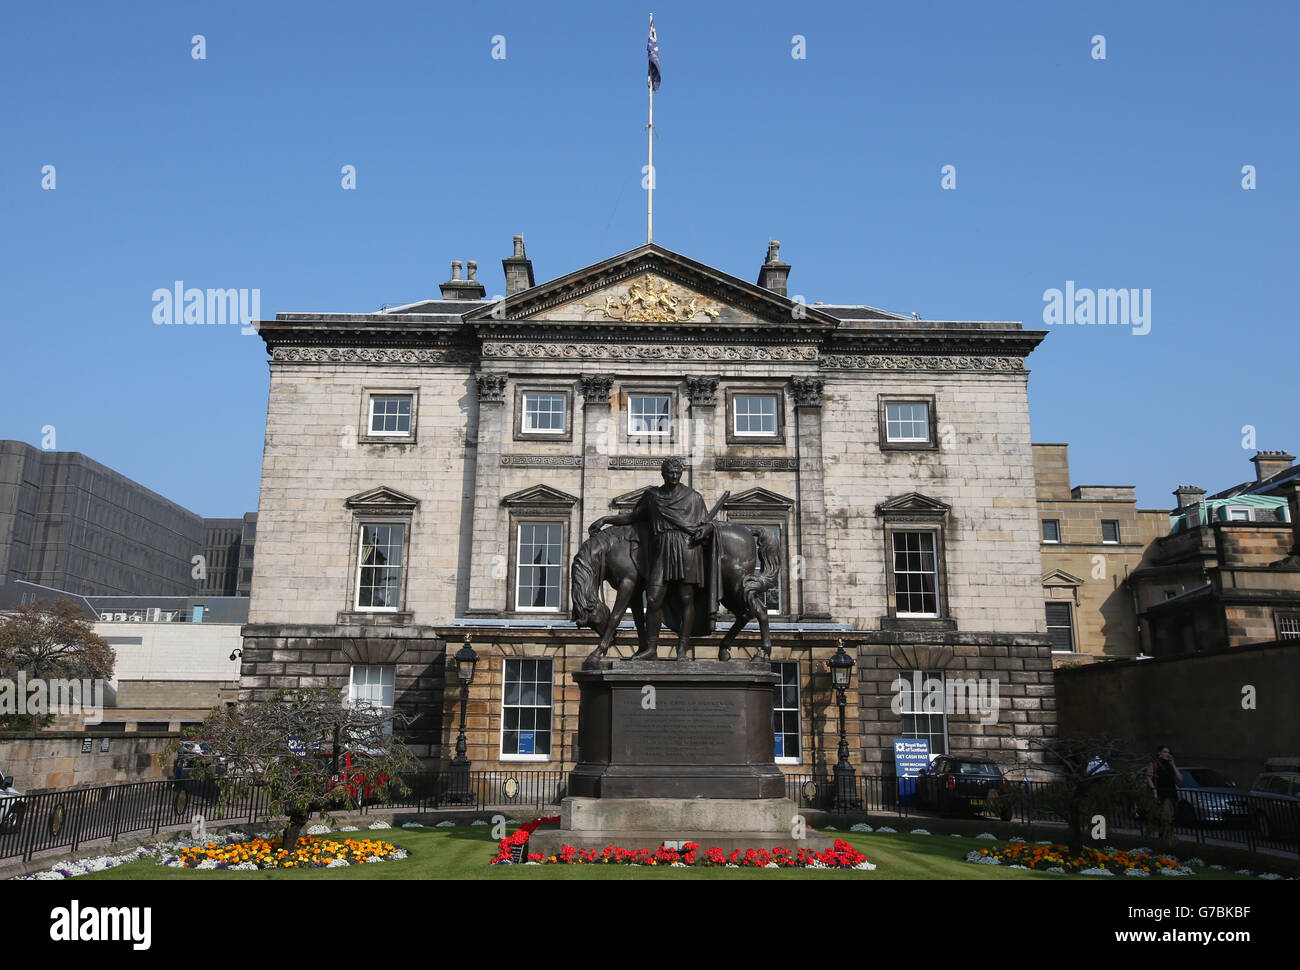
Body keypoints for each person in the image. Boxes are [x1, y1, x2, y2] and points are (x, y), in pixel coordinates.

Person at [588, 457, 713, 660]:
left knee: (686, 599)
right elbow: (631, 517)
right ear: (662, 474)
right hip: (662, 549)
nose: (673, 477)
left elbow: (707, 523)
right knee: (654, 598)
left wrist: (705, 531)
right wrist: (606, 519)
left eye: (677, 473)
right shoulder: (653, 497)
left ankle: (682, 649)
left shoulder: (693, 497)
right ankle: (651, 648)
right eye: (670, 473)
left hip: (686, 548)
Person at [1148, 744, 1182, 822]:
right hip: (1161, 792)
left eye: (1169, 752)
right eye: (1165, 752)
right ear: (1160, 753)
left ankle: (1167, 832)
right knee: (1164, 816)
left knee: (1170, 816)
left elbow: (1180, 778)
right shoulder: (1154, 763)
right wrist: (1155, 791)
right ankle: (1164, 832)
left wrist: (1173, 765)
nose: (1167, 754)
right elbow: (1149, 778)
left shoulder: (1170, 764)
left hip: (1171, 792)